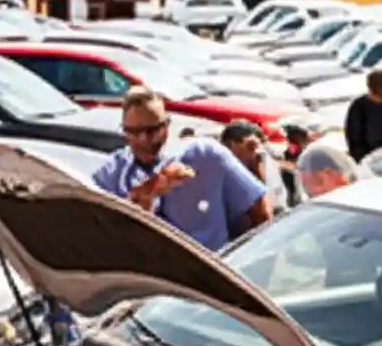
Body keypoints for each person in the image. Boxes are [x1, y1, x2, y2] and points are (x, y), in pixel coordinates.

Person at [92, 86, 272, 251]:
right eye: (134, 132)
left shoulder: (205, 156)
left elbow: (259, 208)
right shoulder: (110, 176)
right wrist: (147, 194)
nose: (144, 140)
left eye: (152, 131)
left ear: (167, 126)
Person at [220, 119, 289, 216]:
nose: (256, 152)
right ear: (230, 145)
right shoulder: (219, 172)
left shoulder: (266, 164)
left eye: (258, 146)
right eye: (251, 146)